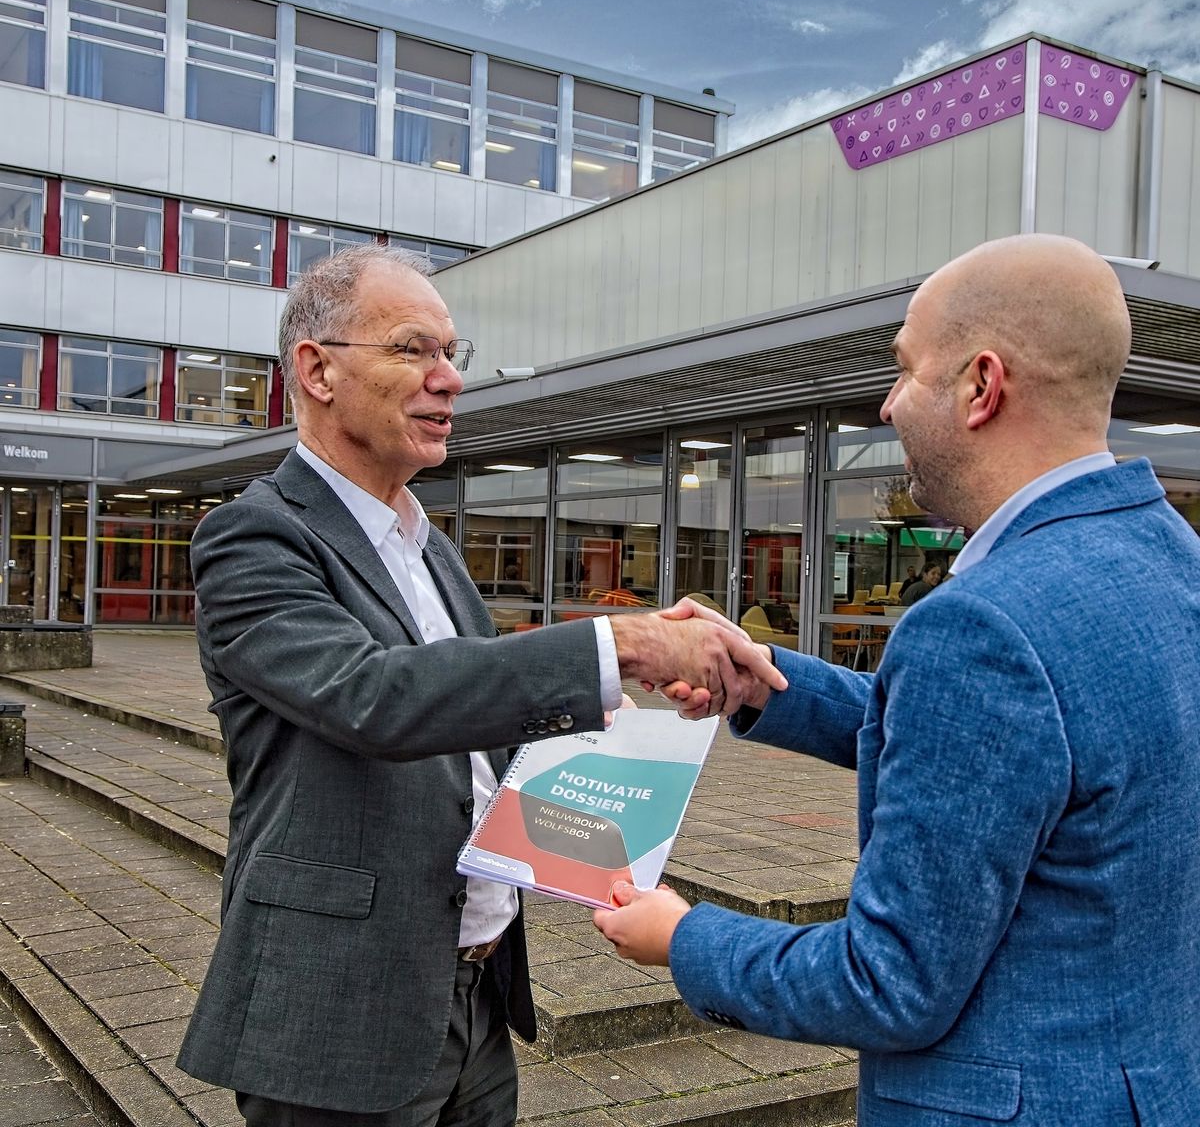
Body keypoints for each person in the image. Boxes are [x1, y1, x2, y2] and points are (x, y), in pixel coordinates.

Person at [593, 234, 1200, 1125]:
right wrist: (766, 681)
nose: (887, 406)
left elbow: (889, 982)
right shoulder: (1173, 558)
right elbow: (1010, 751)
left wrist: (684, 937)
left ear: (981, 386)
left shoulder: (981, 625)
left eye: (905, 370)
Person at [175, 245, 784, 1126]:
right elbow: (373, 697)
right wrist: (622, 644)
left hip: (475, 994)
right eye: (412, 349)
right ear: (317, 370)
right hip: (340, 1010)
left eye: (452, 352)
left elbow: (474, 711)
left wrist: (612, 716)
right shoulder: (253, 537)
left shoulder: (431, 550)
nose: (450, 378)